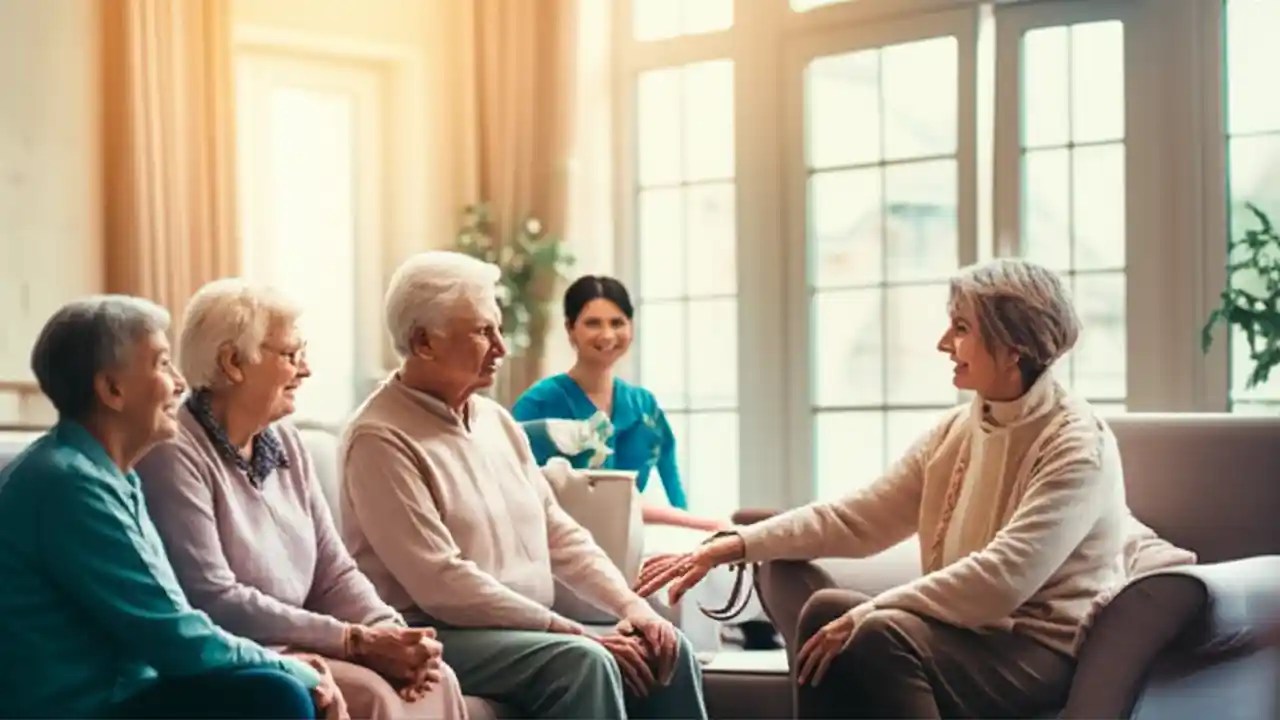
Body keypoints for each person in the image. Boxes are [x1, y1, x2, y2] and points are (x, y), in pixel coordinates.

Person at [637, 258, 1133, 719]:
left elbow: (1002, 580)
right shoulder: (958, 430)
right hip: (965, 635)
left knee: (877, 632)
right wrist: (735, 545)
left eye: (961, 329)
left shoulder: (1076, 445)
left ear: (1014, 348)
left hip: (1038, 652)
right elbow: (858, 518)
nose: (944, 343)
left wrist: (874, 609)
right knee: (827, 612)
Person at [340, 251, 707, 719]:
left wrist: (633, 607)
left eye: (497, 327)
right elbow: (442, 584)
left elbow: (559, 532)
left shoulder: (495, 420)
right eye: (482, 331)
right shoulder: (379, 438)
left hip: (525, 629)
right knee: (586, 662)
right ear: (423, 342)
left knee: (667, 649)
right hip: (434, 632)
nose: (500, 346)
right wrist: (570, 630)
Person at [135, 279, 466, 720]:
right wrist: (352, 640)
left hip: (313, 638)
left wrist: (390, 631)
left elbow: (334, 572)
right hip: (246, 650)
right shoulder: (173, 451)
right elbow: (212, 597)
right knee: (372, 693)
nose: (306, 369)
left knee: (437, 676)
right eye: (291, 355)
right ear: (233, 363)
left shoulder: (287, 443)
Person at [0, 296, 333, 719]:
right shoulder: (69, 484)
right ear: (111, 389)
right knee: (275, 694)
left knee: (272, 686)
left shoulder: (112, 475)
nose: (180, 383)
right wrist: (298, 668)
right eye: (161, 364)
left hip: (127, 691)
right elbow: (175, 638)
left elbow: (176, 624)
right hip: (82, 707)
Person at [513, 274, 778, 652]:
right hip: (571, 541)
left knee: (704, 550)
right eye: (593, 323)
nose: (607, 334)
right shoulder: (539, 405)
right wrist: (703, 523)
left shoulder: (644, 406)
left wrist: (698, 527)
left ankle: (735, 633)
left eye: (617, 322)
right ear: (570, 329)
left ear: (631, 327)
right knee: (701, 543)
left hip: (633, 530)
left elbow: (672, 487)